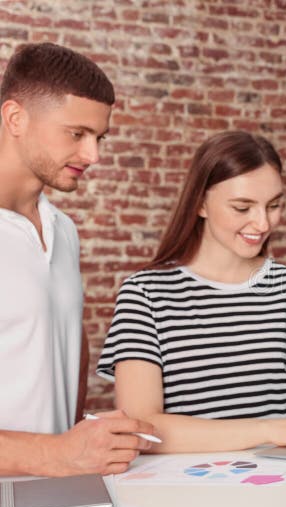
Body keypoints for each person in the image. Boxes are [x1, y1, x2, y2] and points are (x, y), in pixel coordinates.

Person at [96, 130, 286, 453]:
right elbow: (142, 427)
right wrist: (270, 429)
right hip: (179, 491)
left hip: (276, 484)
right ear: (200, 203)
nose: (262, 223)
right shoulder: (145, 295)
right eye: (242, 208)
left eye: (273, 206)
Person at [0, 43, 154, 477]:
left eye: (99, 137)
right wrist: (56, 455)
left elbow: (69, 344)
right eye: (76, 134)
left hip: (54, 502)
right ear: (16, 118)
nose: (94, 156)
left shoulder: (62, 230)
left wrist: (79, 441)